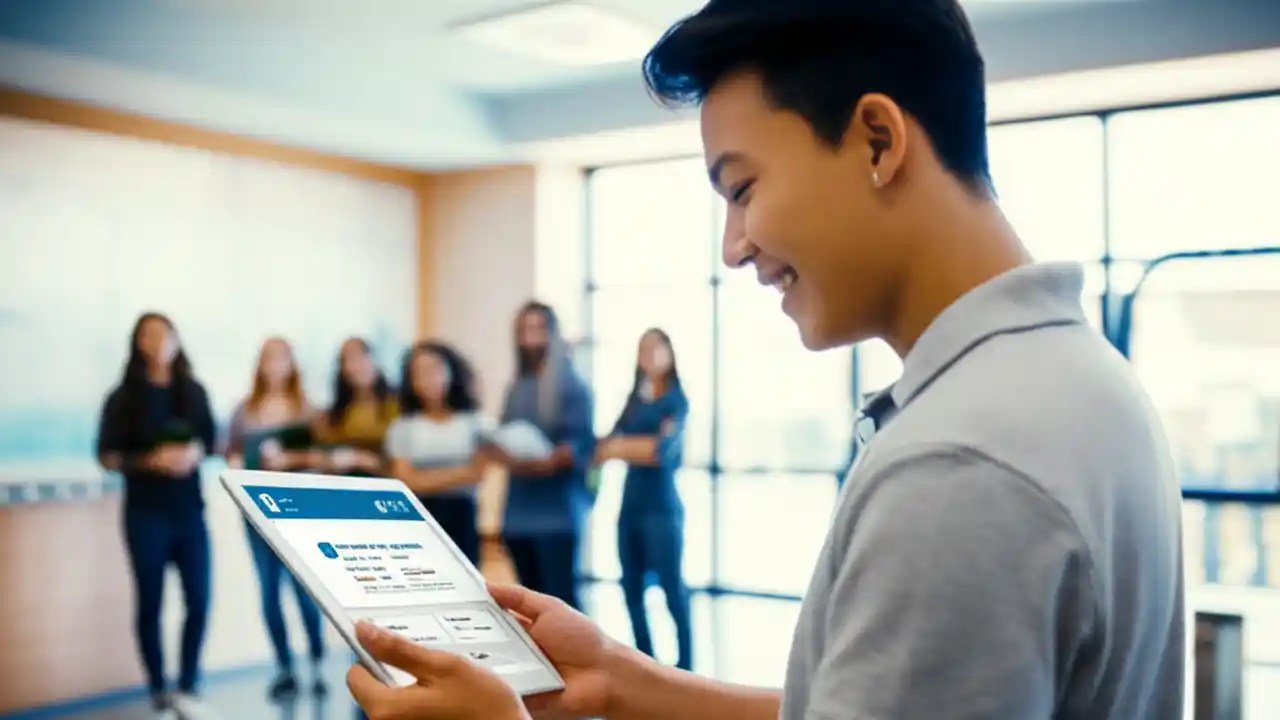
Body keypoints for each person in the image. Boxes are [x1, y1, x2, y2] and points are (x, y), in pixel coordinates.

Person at [346, 1, 1185, 719]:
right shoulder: (1080, 381)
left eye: (743, 189)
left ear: (877, 141)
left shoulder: (959, 462)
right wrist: (620, 680)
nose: (734, 247)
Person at [96, 313, 217, 719]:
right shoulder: (124, 397)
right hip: (145, 514)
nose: (158, 341)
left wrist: (195, 452)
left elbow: (211, 440)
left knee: (199, 600)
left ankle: (189, 687)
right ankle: (159, 693)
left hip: (190, 512)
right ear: (137, 343)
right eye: (149, 335)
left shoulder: (194, 391)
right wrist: (151, 460)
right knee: (151, 604)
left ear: (178, 340)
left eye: (165, 333)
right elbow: (107, 455)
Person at [225, 337, 327, 701]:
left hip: (297, 512)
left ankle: (317, 662)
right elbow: (230, 453)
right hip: (256, 512)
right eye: (268, 357)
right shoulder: (244, 410)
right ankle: (284, 667)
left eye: (281, 358)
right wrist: (236, 463)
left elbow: (322, 459)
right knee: (269, 592)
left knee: (304, 593)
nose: (275, 365)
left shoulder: (308, 410)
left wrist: (290, 459)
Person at [596, 328, 693, 671]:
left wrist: (623, 449)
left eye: (656, 348)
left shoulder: (676, 401)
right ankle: (645, 663)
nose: (649, 356)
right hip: (631, 506)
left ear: (670, 353)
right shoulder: (635, 401)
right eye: (643, 350)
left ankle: (685, 666)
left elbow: (661, 452)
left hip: (661, 509)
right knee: (631, 588)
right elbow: (602, 446)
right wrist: (631, 448)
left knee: (671, 588)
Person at [489, 302, 595, 610]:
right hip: (519, 516)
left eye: (537, 329)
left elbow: (578, 449)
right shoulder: (516, 387)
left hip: (557, 516)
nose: (530, 339)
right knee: (529, 607)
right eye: (524, 331)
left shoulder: (572, 386)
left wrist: (541, 462)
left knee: (562, 606)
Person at [386, 341, 490, 564]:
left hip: (462, 517)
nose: (429, 379)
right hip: (418, 518)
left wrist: (425, 477)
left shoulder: (475, 423)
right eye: (419, 373)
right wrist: (459, 473)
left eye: (435, 369)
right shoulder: (402, 427)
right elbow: (405, 479)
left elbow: (478, 473)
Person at [313, 337, 397, 477]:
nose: (354, 366)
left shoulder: (396, 405)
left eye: (361, 356)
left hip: (384, 479)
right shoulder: (336, 413)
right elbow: (326, 454)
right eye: (346, 360)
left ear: (374, 359)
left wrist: (365, 460)